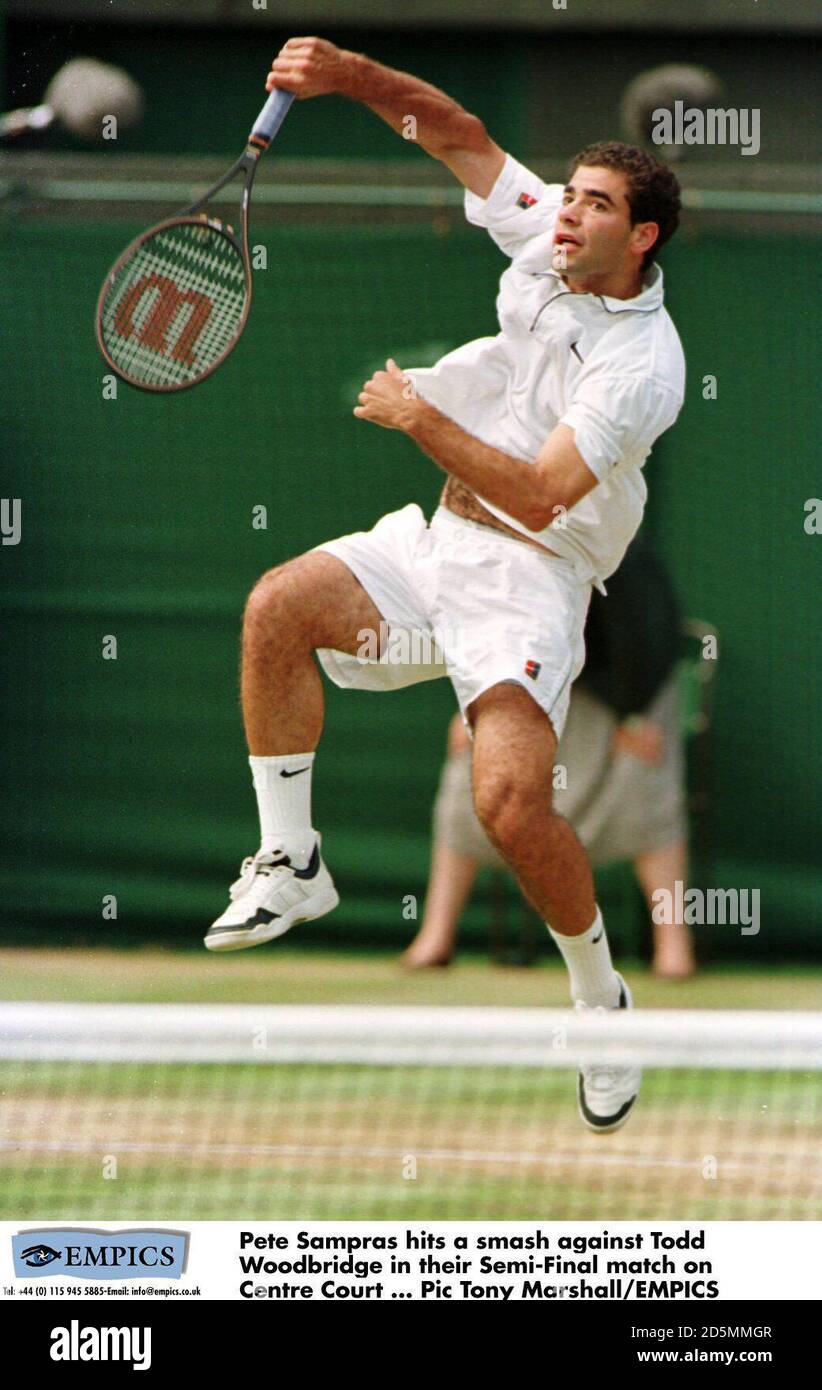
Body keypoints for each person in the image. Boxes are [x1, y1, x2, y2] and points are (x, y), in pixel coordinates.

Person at [204, 37, 686, 1135]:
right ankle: (294, 858)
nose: (564, 215)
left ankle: (599, 999)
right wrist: (346, 74)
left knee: (511, 806)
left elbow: (546, 496)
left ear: (640, 235)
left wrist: (424, 418)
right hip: (438, 549)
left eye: (594, 206)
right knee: (279, 603)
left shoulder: (644, 367)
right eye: (565, 196)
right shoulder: (541, 235)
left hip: (532, 576)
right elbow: (459, 135)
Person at [402, 541, 696, 980]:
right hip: (526, 687)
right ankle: (435, 936)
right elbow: (486, 630)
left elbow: (646, 629)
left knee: (644, 791)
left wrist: (633, 711)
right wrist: (472, 707)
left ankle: (674, 948)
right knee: (467, 778)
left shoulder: (621, 548)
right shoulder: (500, 548)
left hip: (625, 696)